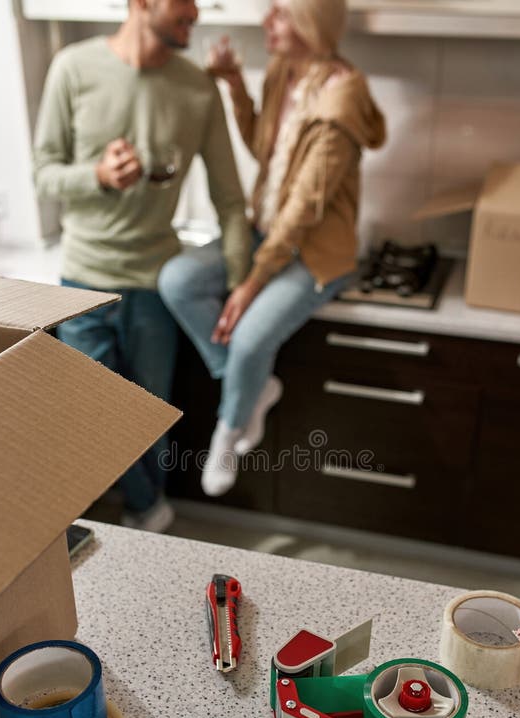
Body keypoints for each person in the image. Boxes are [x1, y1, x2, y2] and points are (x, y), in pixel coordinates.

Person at [33, 0, 251, 531]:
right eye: (184, 1)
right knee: (95, 419)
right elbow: (43, 173)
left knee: (150, 421)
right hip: (82, 281)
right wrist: (98, 177)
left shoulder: (198, 88)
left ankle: (143, 514)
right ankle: (149, 510)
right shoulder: (73, 67)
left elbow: (230, 200)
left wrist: (243, 281)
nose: (196, 11)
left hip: (156, 282)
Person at [158, 0, 386, 497]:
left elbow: (305, 207)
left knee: (249, 337)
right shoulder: (286, 71)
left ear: (312, 21)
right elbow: (265, 149)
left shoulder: (342, 97)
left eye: (280, 12)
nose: (267, 22)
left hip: (315, 253)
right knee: (176, 280)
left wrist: (251, 283)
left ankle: (230, 424)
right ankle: (251, 385)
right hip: (267, 230)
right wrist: (236, 85)